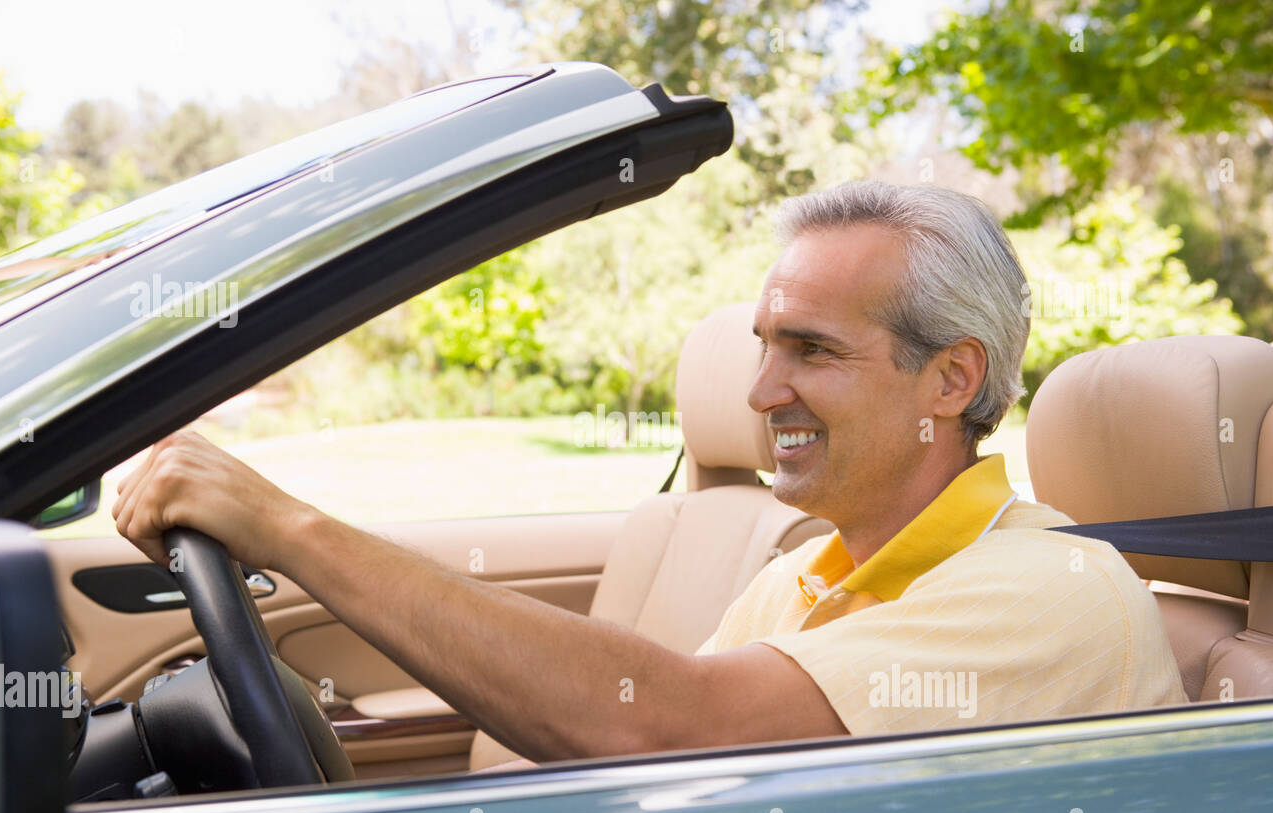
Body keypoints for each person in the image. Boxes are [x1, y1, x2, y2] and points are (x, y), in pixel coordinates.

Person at [112, 181, 1188, 769]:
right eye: (763, 344)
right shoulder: (803, 575)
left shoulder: (1048, 588)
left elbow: (665, 726)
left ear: (948, 379)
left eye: (810, 350)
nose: (762, 390)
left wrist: (288, 528)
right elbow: (657, 776)